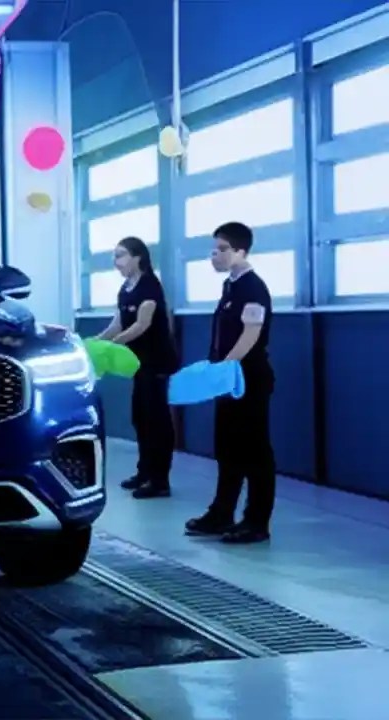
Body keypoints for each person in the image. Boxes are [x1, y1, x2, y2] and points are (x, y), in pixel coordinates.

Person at [184, 222, 275, 544]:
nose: (215, 256)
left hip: (247, 380)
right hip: (227, 380)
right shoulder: (231, 287)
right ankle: (221, 513)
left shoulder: (253, 288)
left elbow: (251, 334)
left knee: (254, 452)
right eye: (213, 249)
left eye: (222, 249)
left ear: (241, 251)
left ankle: (256, 522)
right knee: (228, 449)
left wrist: (225, 367)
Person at [95, 237, 178, 499]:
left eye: (120, 255)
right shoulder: (125, 289)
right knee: (140, 417)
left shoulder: (150, 287)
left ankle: (159, 480)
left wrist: (113, 347)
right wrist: (94, 343)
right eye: (114, 256)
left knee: (157, 420)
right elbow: (117, 325)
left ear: (137, 257)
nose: (115, 262)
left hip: (156, 362)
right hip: (138, 364)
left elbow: (141, 325)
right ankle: (144, 471)